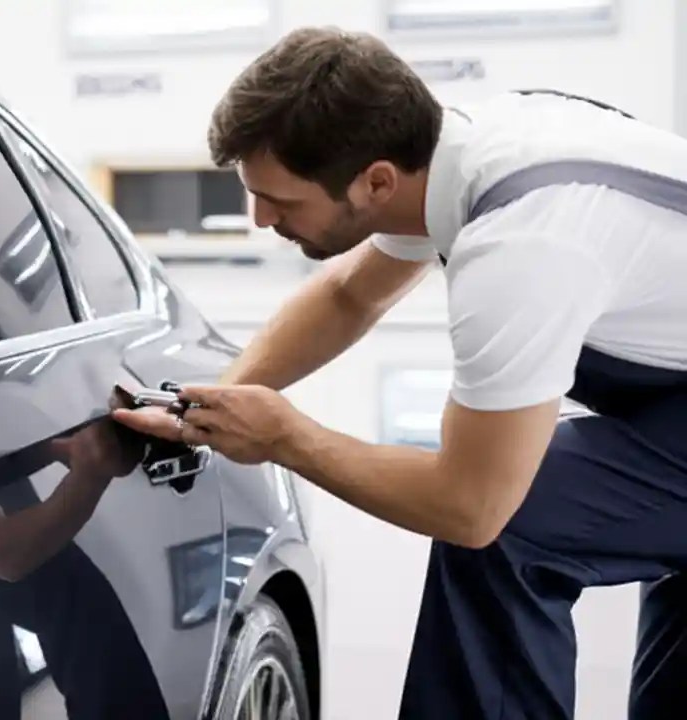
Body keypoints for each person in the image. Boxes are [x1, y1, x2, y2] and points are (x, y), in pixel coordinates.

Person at [112, 26, 687, 720]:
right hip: (668, 405)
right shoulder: (465, 153)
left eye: (281, 202)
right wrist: (204, 409)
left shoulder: (522, 245)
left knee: (512, 524)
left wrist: (286, 438)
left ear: (376, 181)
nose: (259, 218)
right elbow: (350, 295)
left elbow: (471, 508)